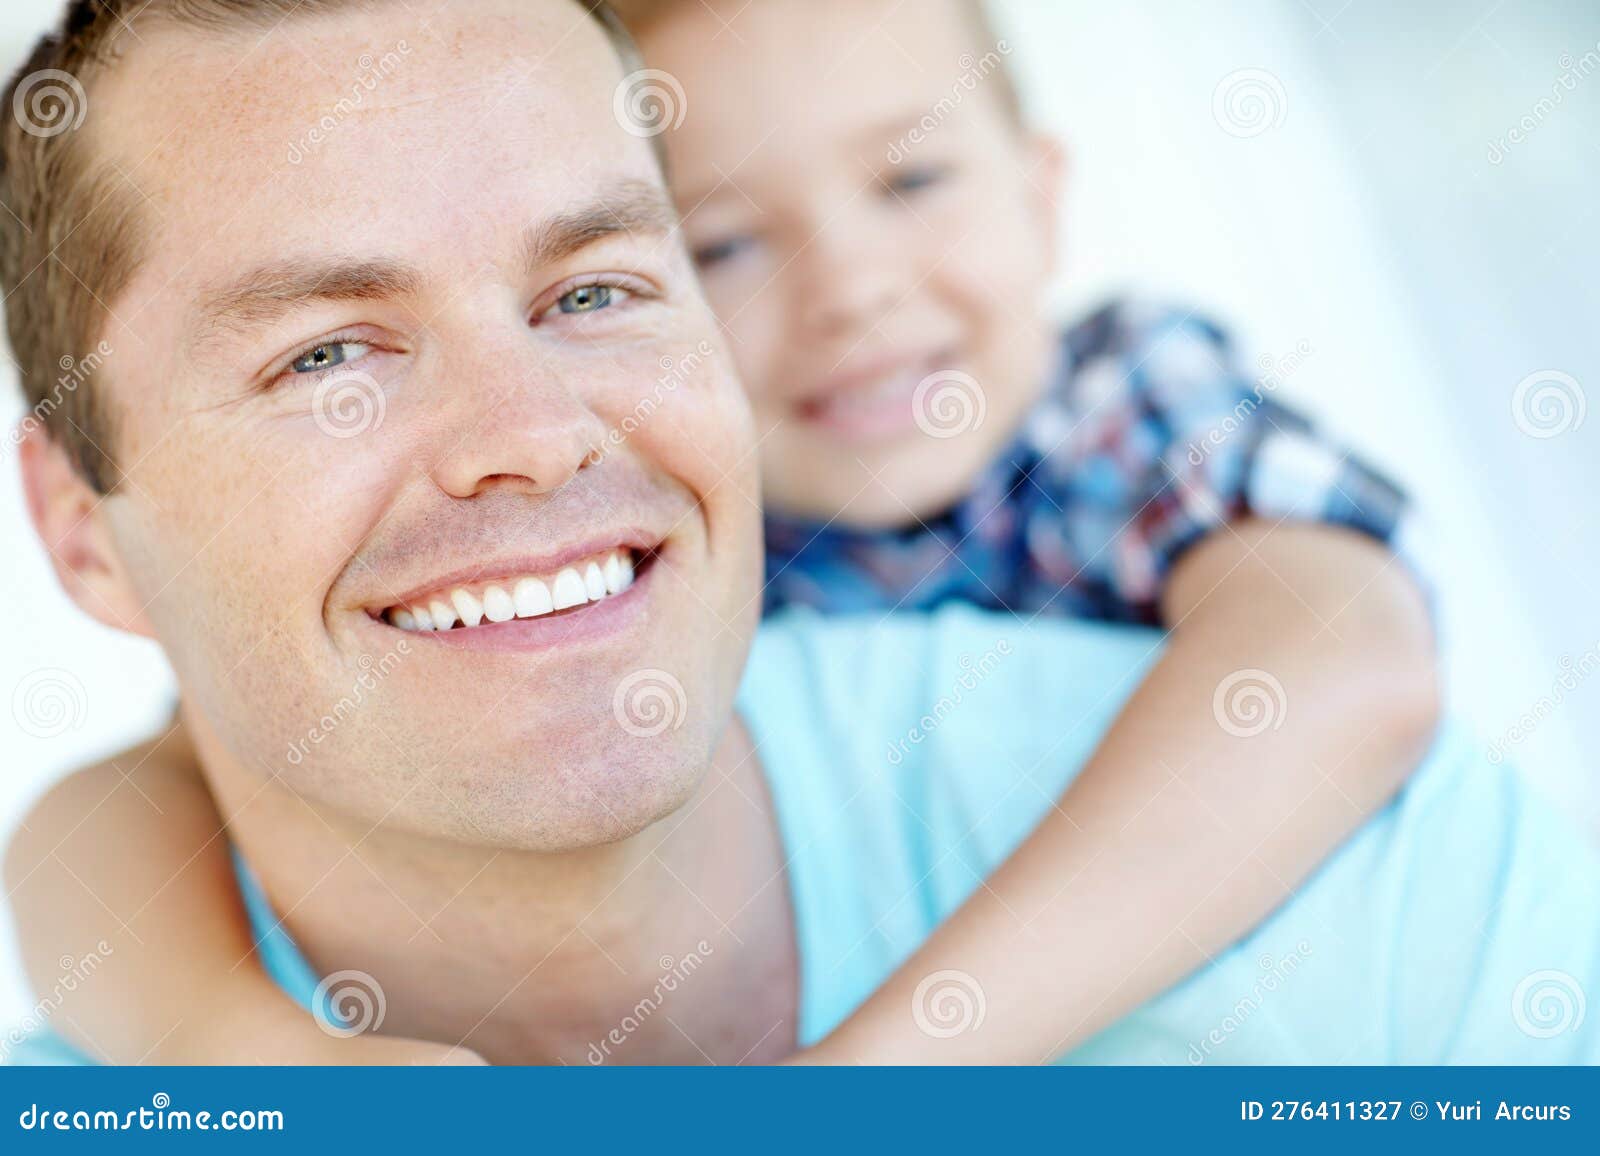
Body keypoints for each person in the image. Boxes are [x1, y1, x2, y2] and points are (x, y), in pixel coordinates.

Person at [4, 0, 1588, 1069]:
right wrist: (249, 1058)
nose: (538, 434)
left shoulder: (1387, 878)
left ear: (1045, 199)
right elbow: (113, 809)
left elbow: (1347, 657)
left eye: (594, 292)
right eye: (325, 354)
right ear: (83, 536)